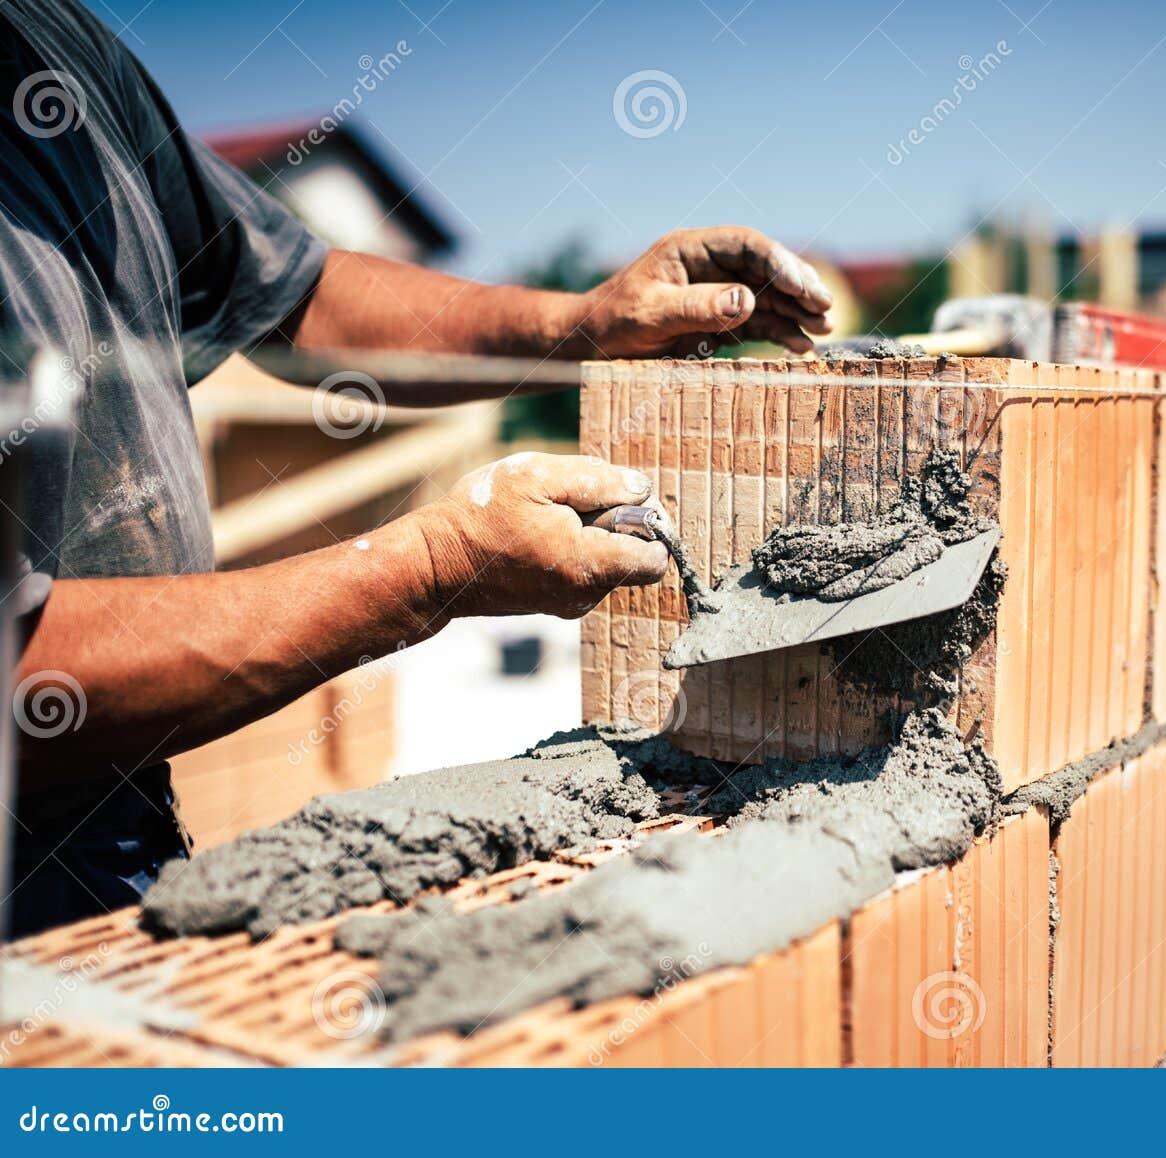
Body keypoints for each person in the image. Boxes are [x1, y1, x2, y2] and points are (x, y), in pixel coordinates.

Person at [0, 0, 832, 935]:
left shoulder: (52, 45)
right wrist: (436, 570)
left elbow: (300, 293)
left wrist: (583, 326)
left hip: (117, 809)